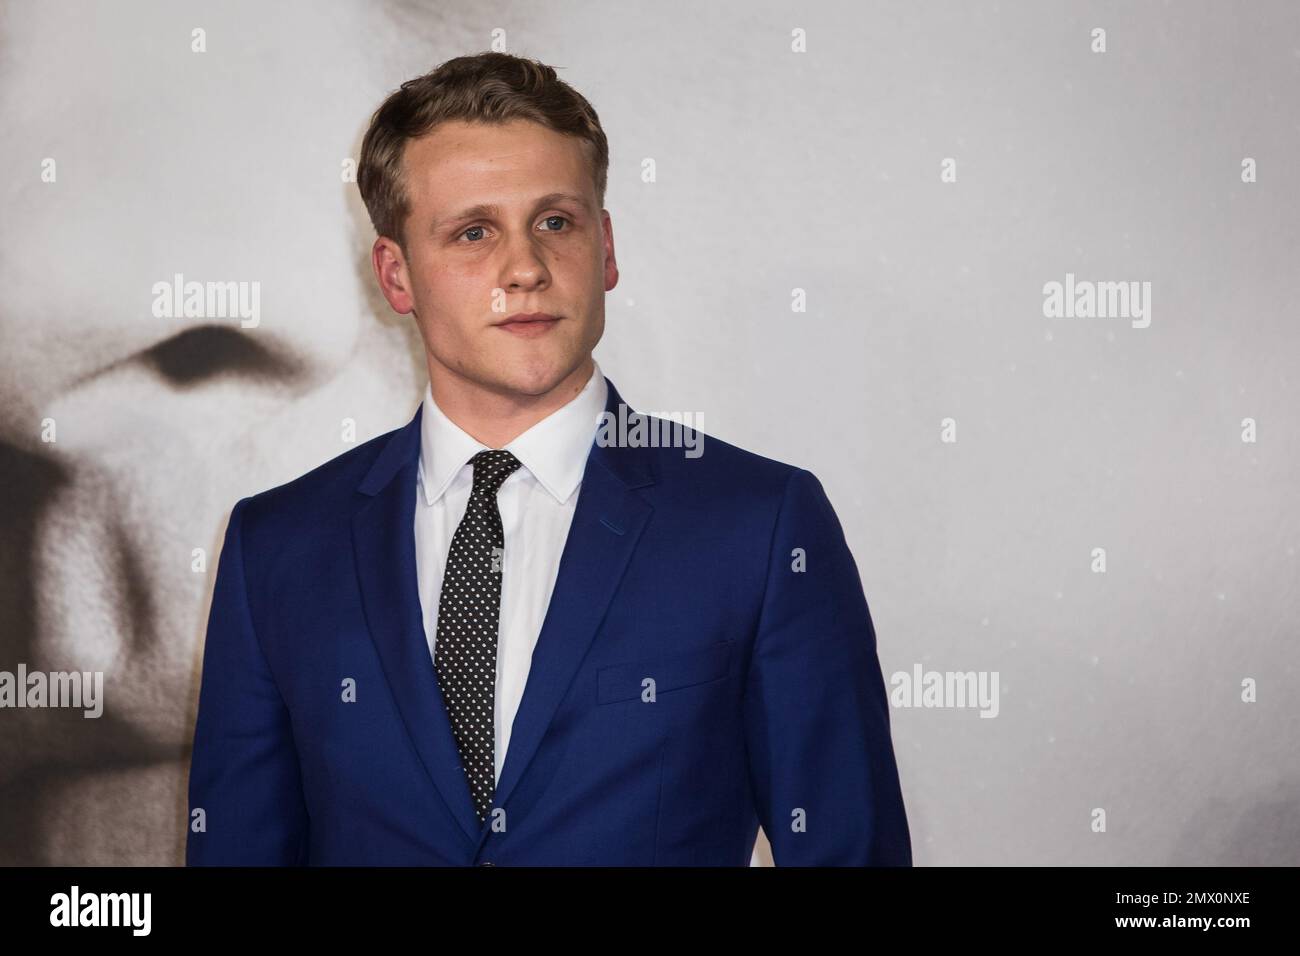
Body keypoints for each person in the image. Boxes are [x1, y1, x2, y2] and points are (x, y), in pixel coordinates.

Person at [186, 51, 911, 866]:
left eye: (555, 223)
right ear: (396, 275)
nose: (525, 269)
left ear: (604, 249)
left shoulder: (761, 526)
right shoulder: (276, 546)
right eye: (473, 232)